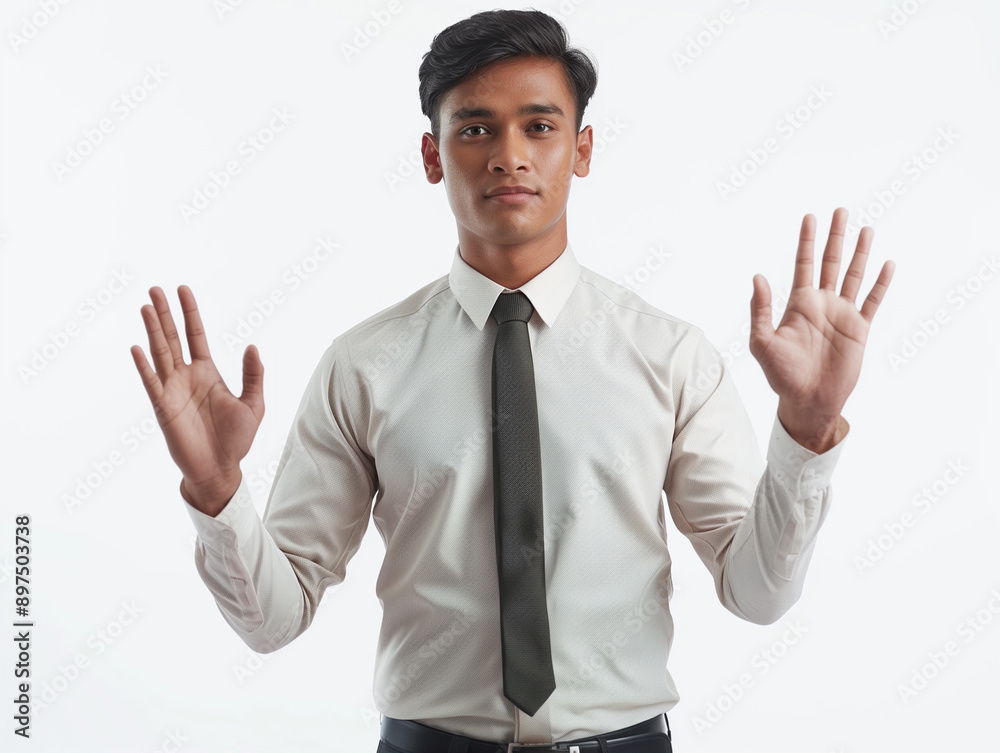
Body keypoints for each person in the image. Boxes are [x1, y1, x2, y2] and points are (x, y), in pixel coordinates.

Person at [130, 9, 893, 753]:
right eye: (474, 129)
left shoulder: (670, 357)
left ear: (582, 148)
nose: (509, 155)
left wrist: (809, 430)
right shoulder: (365, 364)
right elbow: (273, 618)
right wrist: (216, 490)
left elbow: (758, 593)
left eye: (539, 125)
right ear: (433, 157)